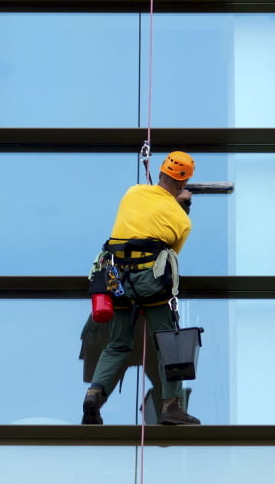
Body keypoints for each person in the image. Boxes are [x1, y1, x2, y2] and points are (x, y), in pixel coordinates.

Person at [81, 151, 200, 425]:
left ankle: (94, 394)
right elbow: (171, 250)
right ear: (182, 184)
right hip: (151, 286)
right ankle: (171, 407)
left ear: (160, 174)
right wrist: (182, 206)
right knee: (168, 342)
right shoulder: (181, 220)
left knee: (118, 344)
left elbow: (147, 204)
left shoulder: (133, 192)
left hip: (117, 281)